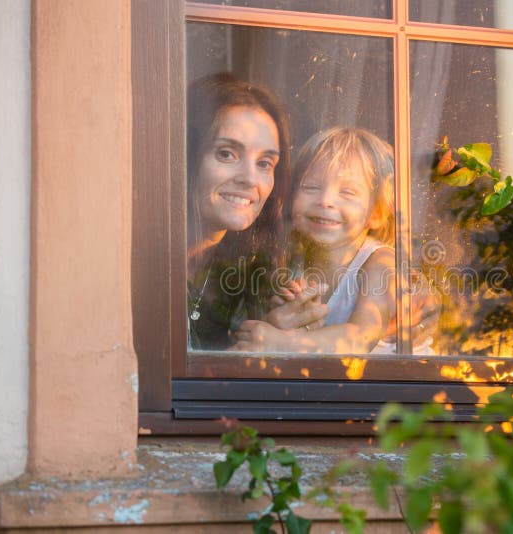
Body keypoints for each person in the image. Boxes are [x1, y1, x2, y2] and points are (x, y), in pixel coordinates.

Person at [236, 127, 435, 354]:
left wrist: (281, 343)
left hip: (403, 388)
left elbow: (361, 337)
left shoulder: (381, 262)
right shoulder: (296, 263)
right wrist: (289, 315)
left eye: (348, 192)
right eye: (311, 187)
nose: (325, 200)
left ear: (376, 213)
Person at [186, 73, 327, 350]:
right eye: (227, 153)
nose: (250, 179)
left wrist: (276, 330)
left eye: (265, 163)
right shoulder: (142, 267)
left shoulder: (250, 268)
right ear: (187, 155)